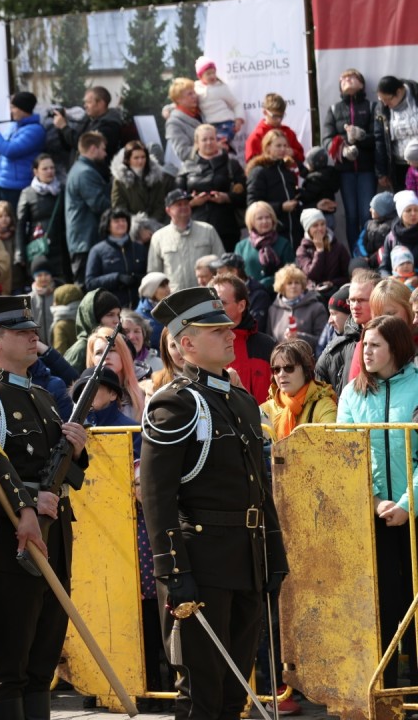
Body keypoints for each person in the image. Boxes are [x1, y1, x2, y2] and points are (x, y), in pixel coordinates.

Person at [140, 286, 288, 720]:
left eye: (229, 327)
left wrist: (274, 552)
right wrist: (173, 569)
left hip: (246, 557)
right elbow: (157, 495)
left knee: (234, 691)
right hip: (201, 561)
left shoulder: (239, 400)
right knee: (201, 692)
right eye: (216, 330)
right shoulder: (175, 403)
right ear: (186, 343)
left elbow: (259, 486)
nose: (229, 335)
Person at [0, 294, 80, 720]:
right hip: (6, 538)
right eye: (21, 332)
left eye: (33, 330)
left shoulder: (43, 396)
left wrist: (76, 450)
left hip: (54, 535)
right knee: (7, 664)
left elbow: (65, 473)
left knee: (41, 663)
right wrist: (28, 501)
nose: (34, 337)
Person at [336, 315, 418, 687]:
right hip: (373, 515)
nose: (365, 352)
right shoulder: (352, 393)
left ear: (396, 348)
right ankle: (386, 691)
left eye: (375, 345)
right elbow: (345, 455)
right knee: (382, 603)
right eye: (364, 345)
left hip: (413, 513)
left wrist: (407, 504)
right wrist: (371, 500)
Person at [321, 69, 377, 243]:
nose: (347, 79)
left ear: (361, 84)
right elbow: (326, 140)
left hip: (367, 170)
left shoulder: (371, 106)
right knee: (351, 215)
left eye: (352, 76)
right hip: (345, 171)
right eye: (343, 78)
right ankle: (355, 255)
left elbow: (378, 138)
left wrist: (361, 137)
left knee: (367, 214)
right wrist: (343, 148)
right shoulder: (334, 109)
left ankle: (368, 251)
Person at [176, 124, 247, 252]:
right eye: (204, 139)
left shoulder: (231, 164)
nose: (209, 143)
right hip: (197, 228)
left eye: (212, 139)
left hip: (226, 228)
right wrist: (192, 202)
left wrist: (227, 197)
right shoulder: (186, 167)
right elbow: (175, 200)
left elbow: (246, 195)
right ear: (197, 143)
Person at [210, 273, 275, 404]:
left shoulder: (267, 345)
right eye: (213, 303)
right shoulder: (205, 346)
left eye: (222, 303)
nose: (215, 308)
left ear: (241, 306)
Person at [260, 338, 337, 444]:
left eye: (289, 368)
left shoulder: (324, 406)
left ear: (306, 370)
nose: (282, 374)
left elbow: (330, 447)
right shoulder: (265, 409)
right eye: (276, 369)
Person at [148, 190, 225, 292]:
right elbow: (154, 275)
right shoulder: (158, 237)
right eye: (179, 204)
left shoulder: (208, 230)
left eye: (186, 203)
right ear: (168, 210)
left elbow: (222, 265)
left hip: (206, 295)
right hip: (175, 298)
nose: (184, 207)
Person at [0, 92, 46, 208]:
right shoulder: (14, 126)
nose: (11, 111)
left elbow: (10, 151)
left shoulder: (35, 130)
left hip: (18, 187)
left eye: (13, 107)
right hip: (2, 183)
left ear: (22, 109)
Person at [65, 131, 111, 284]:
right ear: (93, 149)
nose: (105, 154)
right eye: (103, 149)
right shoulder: (85, 173)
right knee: (86, 287)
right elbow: (99, 204)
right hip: (85, 242)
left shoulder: (80, 169)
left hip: (83, 240)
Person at [84, 207, 147, 309]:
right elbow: (90, 283)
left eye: (123, 220)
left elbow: (149, 274)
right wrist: (117, 278)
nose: (121, 224)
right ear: (108, 225)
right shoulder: (97, 251)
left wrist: (137, 279)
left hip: (139, 307)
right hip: (111, 309)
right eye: (116, 221)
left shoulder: (139, 248)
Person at [52, 86, 124, 169]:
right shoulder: (88, 120)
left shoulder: (110, 126)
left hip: (94, 171)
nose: (85, 106)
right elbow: (71, 145)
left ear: (100, 104)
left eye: (88, 102)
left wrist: (64, 126)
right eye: (85, 102)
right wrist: (61, 129)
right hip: (78, 170)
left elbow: (84, 145)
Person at [85, 325, 145, 420]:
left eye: (112, 350)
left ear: (123, 354)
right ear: (92, 360)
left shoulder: (144, 393)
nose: (106, 357)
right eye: (99, 353)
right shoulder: (84, 397)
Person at [15, 155, 60, 277]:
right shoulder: (28, 194)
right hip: (38, 249)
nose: (50, 171)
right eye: (45, 169)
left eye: (52, 168)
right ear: (36, 172)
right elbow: (20, 225)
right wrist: (20, 254)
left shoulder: (61, 190)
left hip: (60, 249)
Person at [234, 201, 294, 289]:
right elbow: (237, 276)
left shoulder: (284, 243)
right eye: (260, 218)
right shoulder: (241, 247)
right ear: (251, 222)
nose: (265, 221)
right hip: (251, 294)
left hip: (278, 293)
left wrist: (267, 282)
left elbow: (291, 273)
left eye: (268, 217)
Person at [267, 264, 328, 348]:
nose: (293, 286)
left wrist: (299, 337)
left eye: (297, 282)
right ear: (282, 287)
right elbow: (269, 341)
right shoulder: (273, 310)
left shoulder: (317, 308)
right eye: (289, 283)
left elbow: (324, 340)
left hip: (308, 355)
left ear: (302, 286)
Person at [295, 208, 350, 301]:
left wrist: (332, 283)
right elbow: (311, 275)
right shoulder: (302, 250)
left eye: (322, 224)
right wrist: (319, 251)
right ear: (308, 229)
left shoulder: (337, 247)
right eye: (315, 225)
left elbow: (347, 276)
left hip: (336, 294)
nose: (320, 228)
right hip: (314, 296)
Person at [374, 75, 418, 191]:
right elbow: (380, 140)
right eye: (381, 100)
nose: (385, 104)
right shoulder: (382, 109)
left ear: (399, 92)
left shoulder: (415, 95)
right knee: (404, 199)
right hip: (399, 166)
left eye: (388, 99)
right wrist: (381, 172)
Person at [111, 140, 170, 224]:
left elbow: (160, 203)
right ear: (128, 160)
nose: (140, 161)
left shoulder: (156, 176)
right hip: (133, 225)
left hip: (157, 223)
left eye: (143, 157)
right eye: (136, 158)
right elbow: (120, 208)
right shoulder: (119, 181)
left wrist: (153, 223)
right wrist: (137, 225)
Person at [63, 288, 121, 372]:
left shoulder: (117, 342)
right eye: (110, 315)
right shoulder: (80, 350)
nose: (117, 320)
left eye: (118, 314)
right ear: (94, 318)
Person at [194, 56, 244, 149]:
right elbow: (182, 99)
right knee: (210, 143)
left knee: (219, 143)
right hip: (210, 125)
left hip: (226, 123)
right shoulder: (196, 88)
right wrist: (169, 109)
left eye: (213, 73)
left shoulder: (221, 87)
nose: (212, 76)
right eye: (208, 74)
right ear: (200, 76)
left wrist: (239, 119)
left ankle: (225, 150)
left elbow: (236, 104)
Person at [245, 93, 306, 163]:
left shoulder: (289, 133)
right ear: (265, 112)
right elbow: (252, 165)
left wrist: (293, 153)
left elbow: (302, 158)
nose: (279, 120)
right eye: (275, 116)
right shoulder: (256, 137)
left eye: (281, 116)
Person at [164, 78, 202, 164]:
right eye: (190, 94)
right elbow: (183, 153)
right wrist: (211, 148)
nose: (194, 96)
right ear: (178, 99)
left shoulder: (201, 111)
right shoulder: (173, 123)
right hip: (199, 169)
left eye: (194, 92)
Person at [380, 191, 418, 277]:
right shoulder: (391, 237)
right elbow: (384, 268)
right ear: (401, 214)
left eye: (416, 210)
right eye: (408, 210)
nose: (413, 213)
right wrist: (390, 279)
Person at [121, 309, 162, 381]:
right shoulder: (114, 366)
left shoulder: (159, 365)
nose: (132, 337)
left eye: (137, 331)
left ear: (144, 335)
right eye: (126, 332)